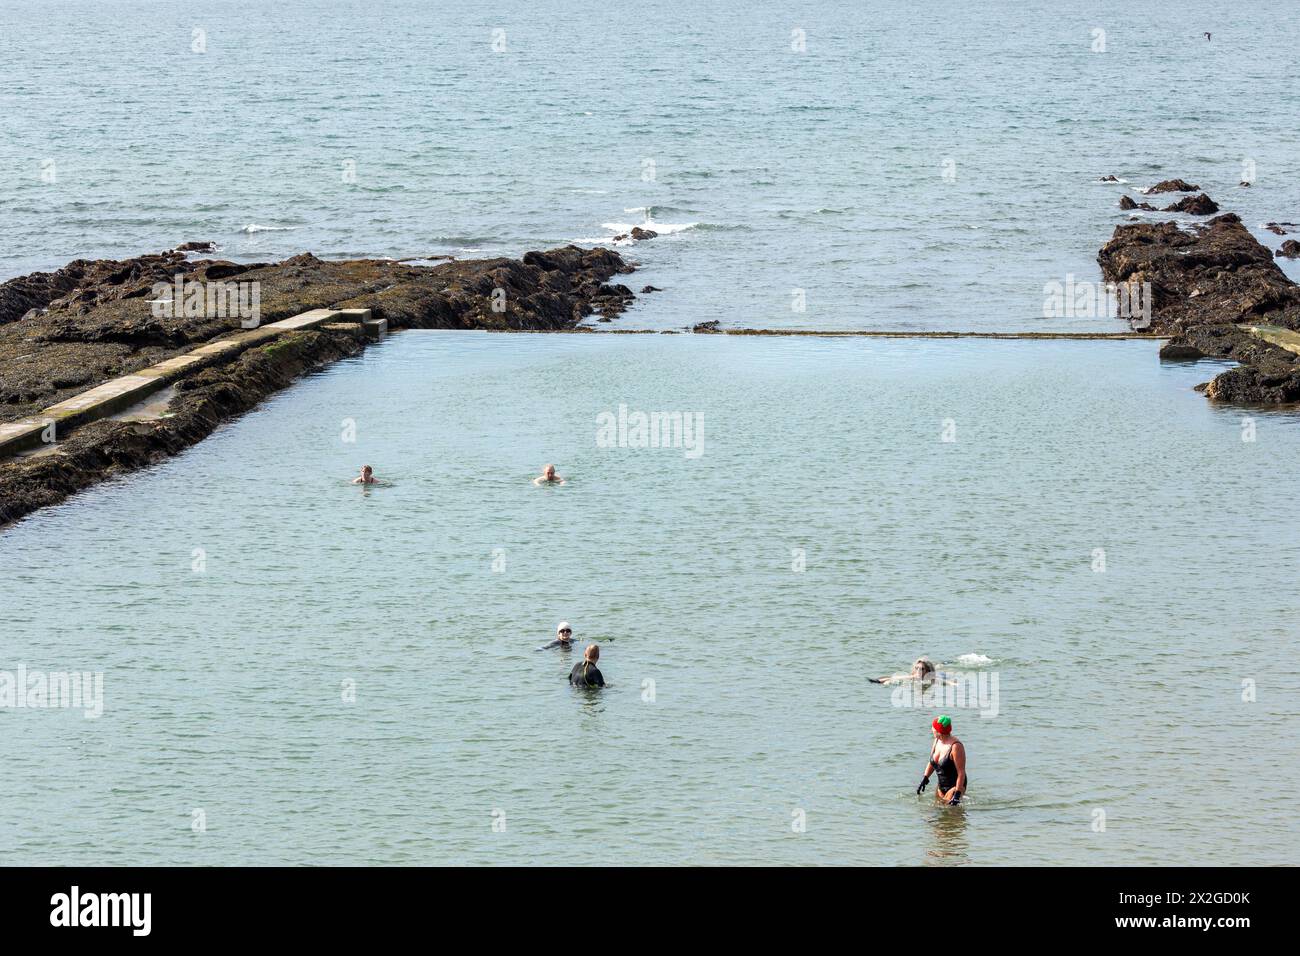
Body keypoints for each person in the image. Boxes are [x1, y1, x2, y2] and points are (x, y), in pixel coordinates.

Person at [916, 715, 967, 805]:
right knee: (937, 812)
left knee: (952, 814)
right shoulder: (936, 741)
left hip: (955, 786)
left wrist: (957, 794)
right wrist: (925, 778)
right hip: (941, 785)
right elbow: (932, 762)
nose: (932, 729)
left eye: (933, 727)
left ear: (938, 731)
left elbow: (961, 773)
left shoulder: (956, 746)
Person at [870, 657, 953, 686]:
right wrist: (877, 681)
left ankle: (944, 664)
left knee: (939, 668)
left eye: (922, 669)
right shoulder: (913, 677)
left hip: (941, 675)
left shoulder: (932, 679)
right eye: (917, 668)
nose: (918, 671)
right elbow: (893, 678)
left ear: (927, 671)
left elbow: (950, 683)